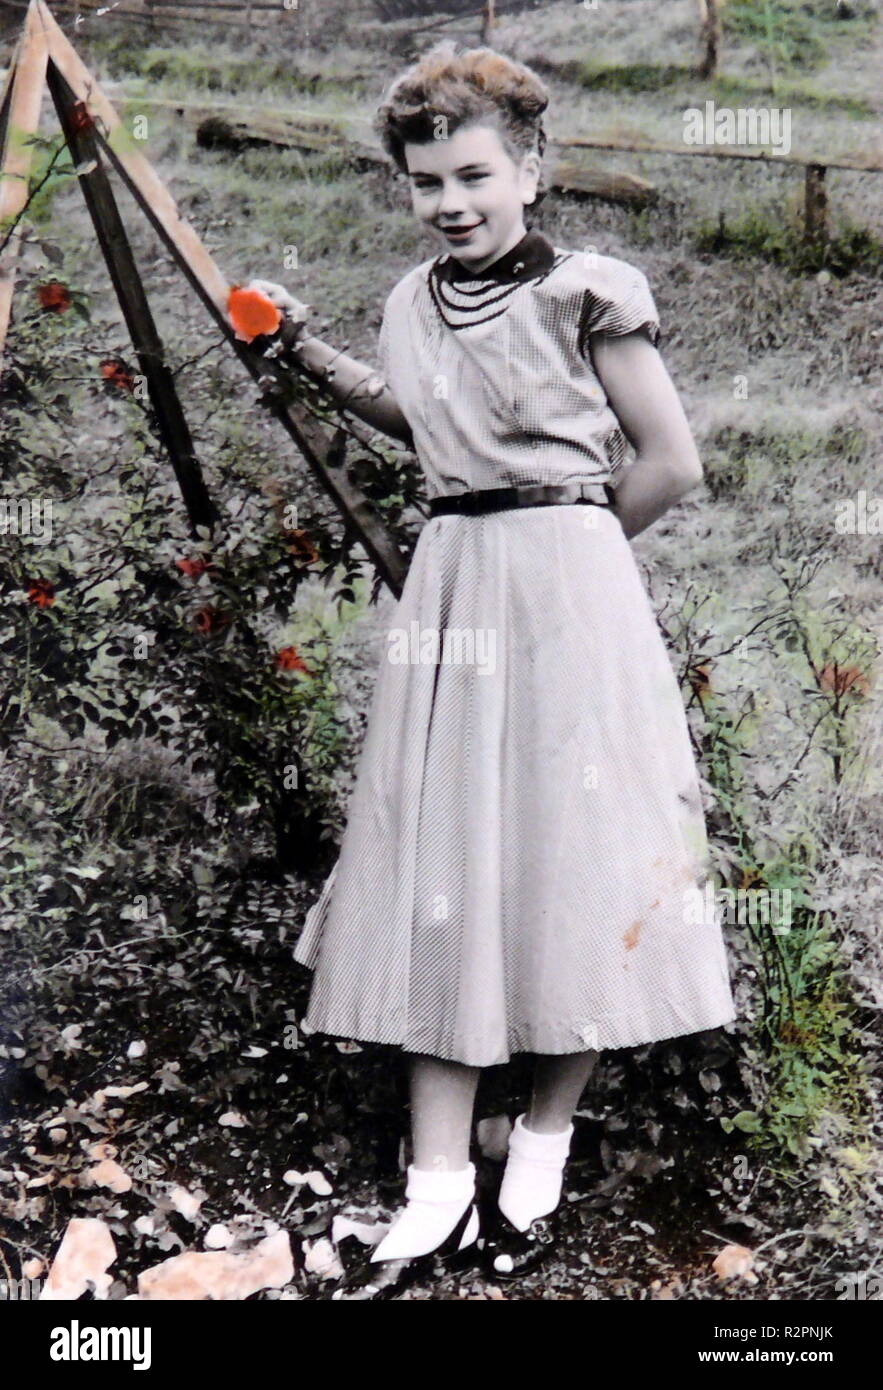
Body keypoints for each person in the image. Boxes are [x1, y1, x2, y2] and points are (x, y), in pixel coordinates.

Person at [245, 40, 737, 1298]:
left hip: (570, 588)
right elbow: (431, 425)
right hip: (451, 589)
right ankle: (431, 1188)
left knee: (575, 854)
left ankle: (541, 1142)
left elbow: (671, 461)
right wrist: (302, 353)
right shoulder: (415, 301)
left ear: (530, 165)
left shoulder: (588, 289)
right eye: (427, 183)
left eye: (474, 174)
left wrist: (562, 554)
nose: (452, 202)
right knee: (440, 852)